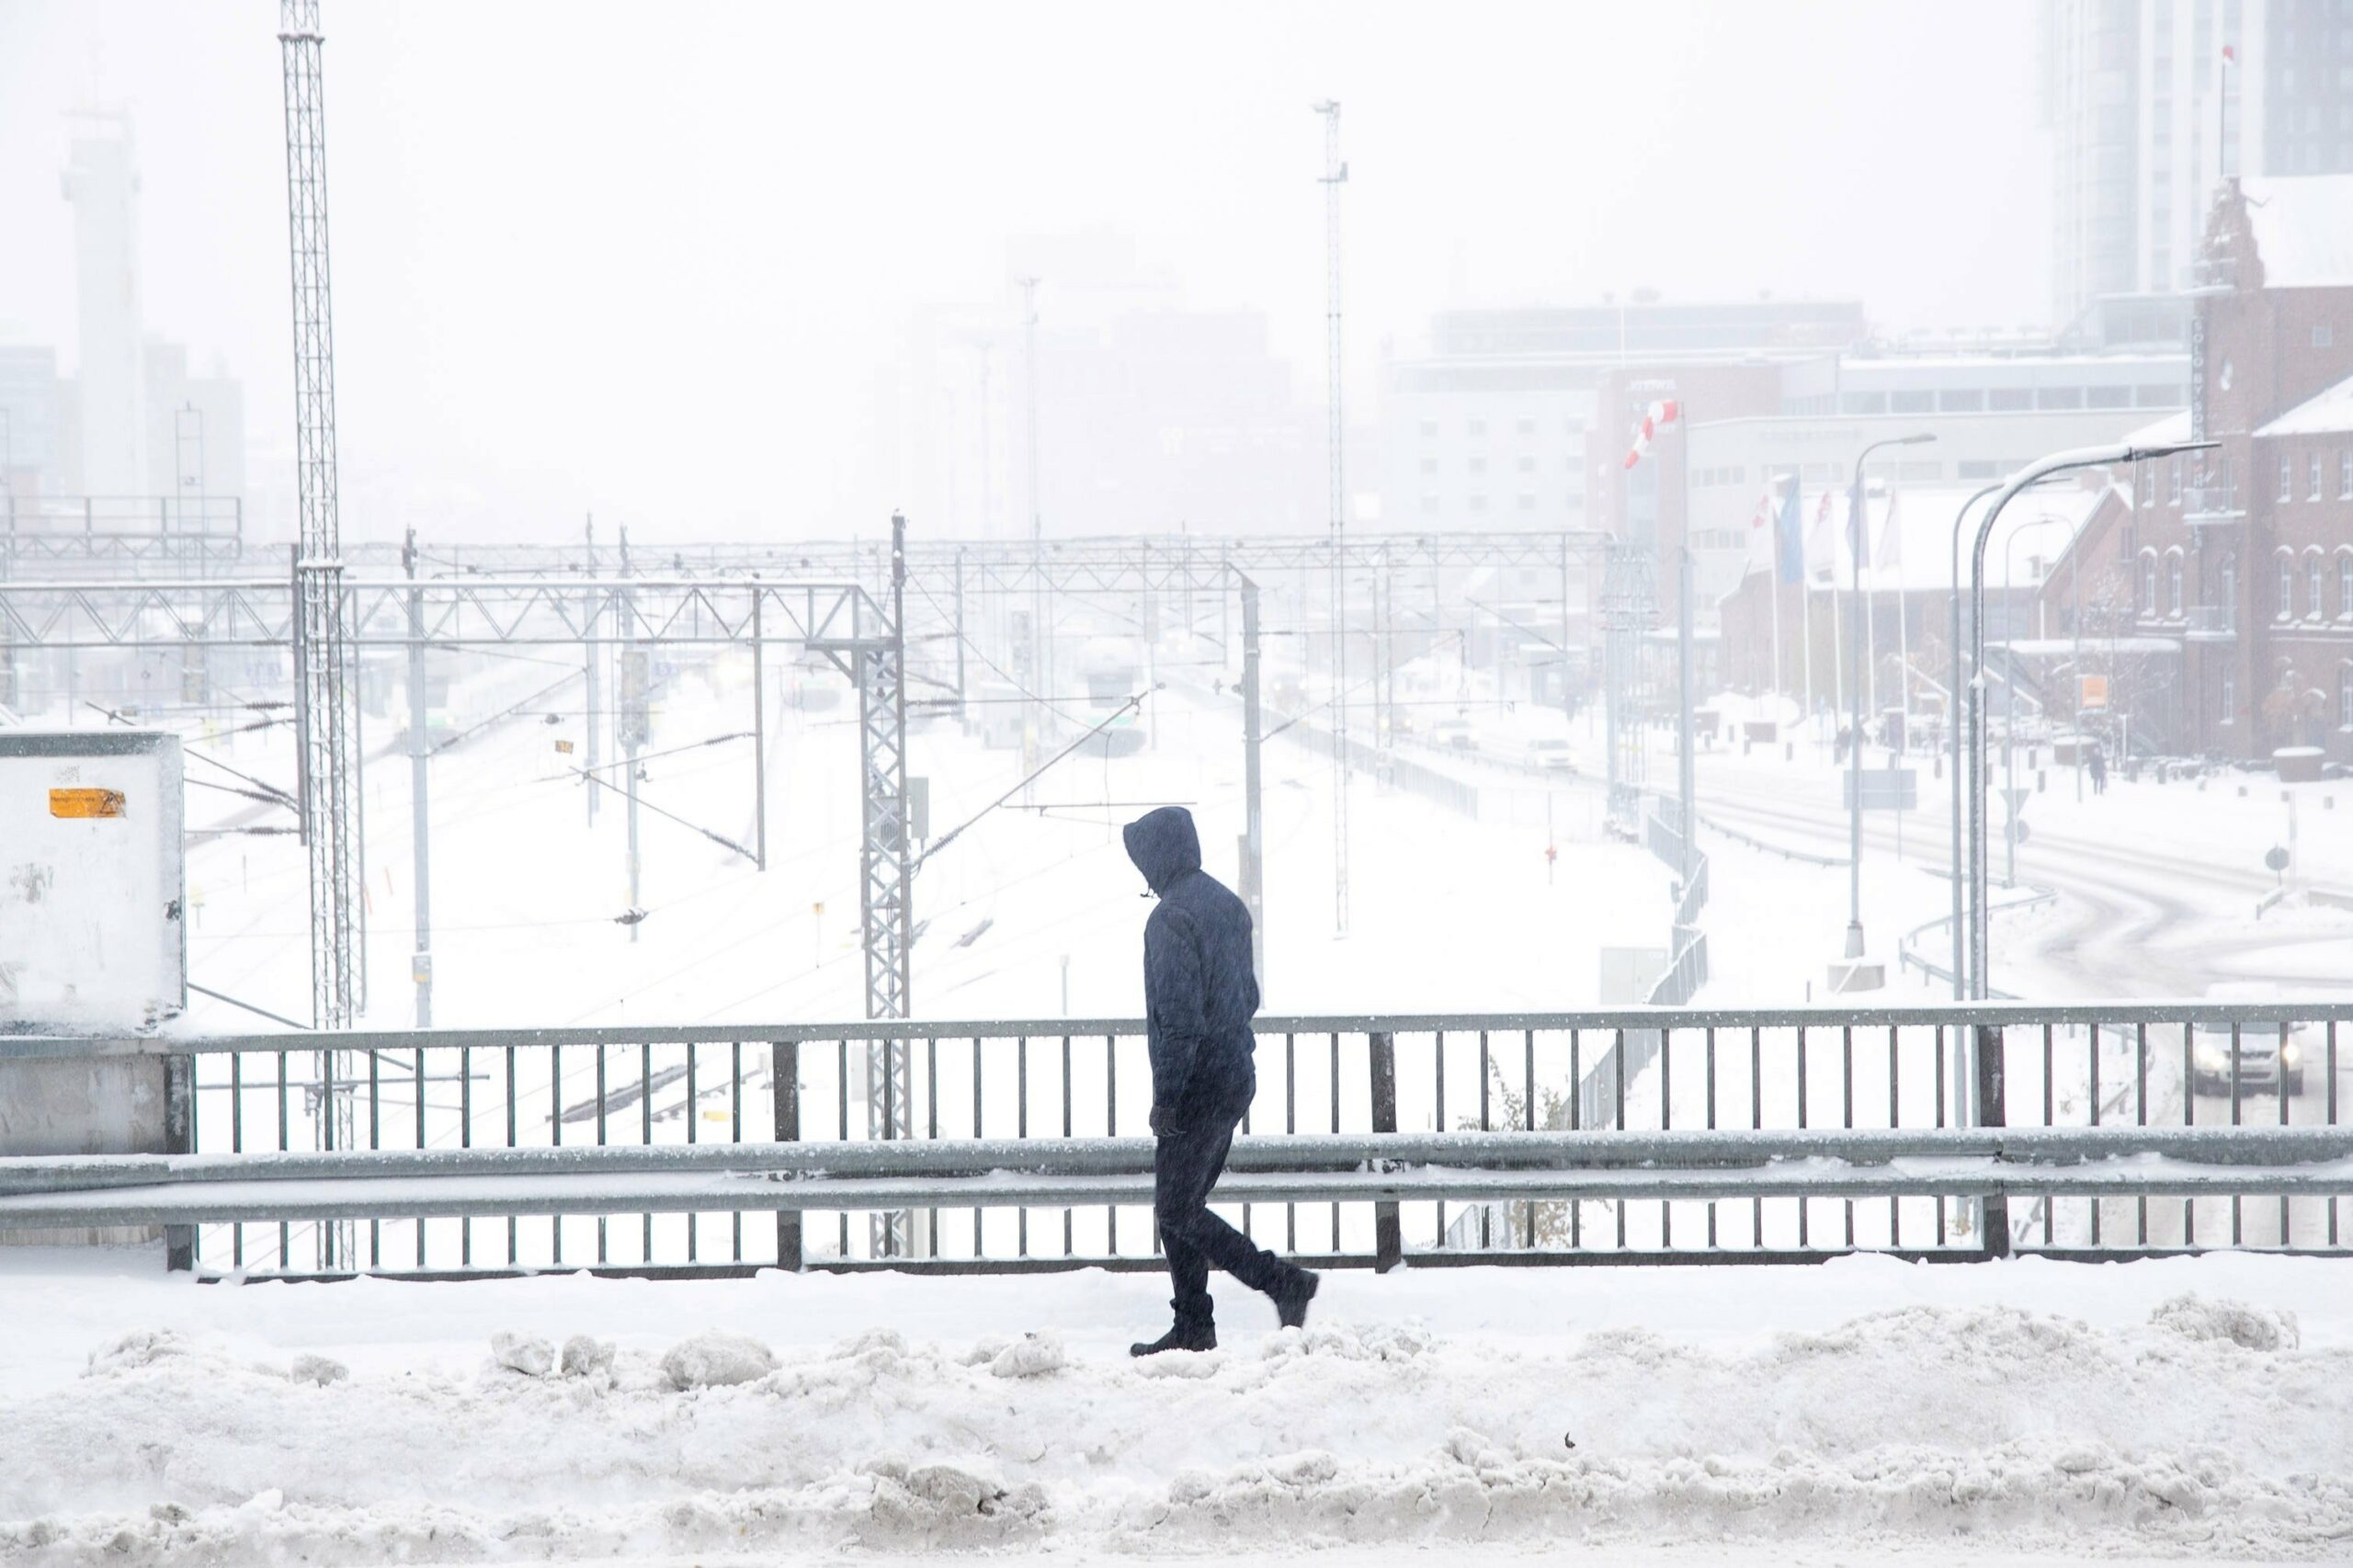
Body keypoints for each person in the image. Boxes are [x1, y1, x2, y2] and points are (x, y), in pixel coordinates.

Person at [1120, 805, 1318, 1354]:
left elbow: (1179, 1022)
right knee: (1178, 1203)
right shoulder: (1226, 905)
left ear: (1159, 857)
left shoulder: (1170, 919)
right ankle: (1193, 1325)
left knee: (1177, 1208)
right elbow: (1246, 996)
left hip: (1197, 1082)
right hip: (1235, 1071)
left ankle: (1281, 1282)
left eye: (1143, 861)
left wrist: (1168, 1098)